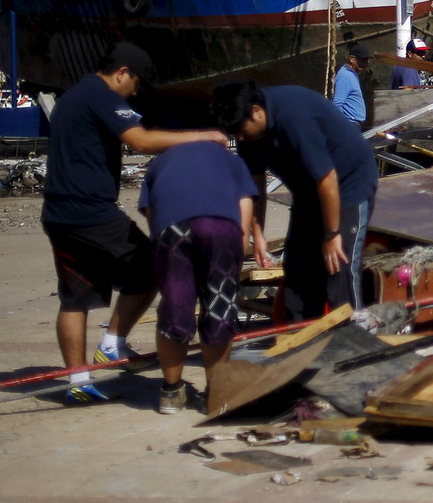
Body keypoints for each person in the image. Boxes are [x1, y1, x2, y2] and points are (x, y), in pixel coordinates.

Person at [41, 41, 230, 404]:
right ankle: (112, 344)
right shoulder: (100, 95)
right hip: (91, 212)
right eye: (136, 84)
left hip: (59, 213)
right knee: (154, 266)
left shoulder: (73, 96)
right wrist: (202, 135)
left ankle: (78, 382)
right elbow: (140, 141)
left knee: (74, 296)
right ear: (122, 73)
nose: (135, 92)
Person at [211, 81, 379, 321]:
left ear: (256, 111)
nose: (240, 138)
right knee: (299, 267)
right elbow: (254, 183)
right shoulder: (247, 132)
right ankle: (299, 333)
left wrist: (332, 235)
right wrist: (258, 235)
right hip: (307, 189)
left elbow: (327, 178)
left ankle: (348, 334)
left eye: (240, 131)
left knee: (337, 265)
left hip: (347, 183)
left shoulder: (294, 119)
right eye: (234, 134)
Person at [138, 140, 258, 414]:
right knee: (219, 308)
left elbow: (151, 213)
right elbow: (245, 209)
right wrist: (235, 257)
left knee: (175, 304)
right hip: (220, 227)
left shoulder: (161, 161)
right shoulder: (231, 160)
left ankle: (171, 393)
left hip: (171, 228)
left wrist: (163, 248)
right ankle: (215, 394)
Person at [332, 44, 370, 124]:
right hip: (349, 123)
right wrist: (344, 125)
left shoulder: (352, 75)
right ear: (352, 59)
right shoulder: (345, 76)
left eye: (367, 60)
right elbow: (337, 104)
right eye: (362, 60)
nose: (366, 63)